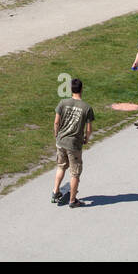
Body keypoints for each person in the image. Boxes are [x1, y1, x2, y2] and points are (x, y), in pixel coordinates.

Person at [51, 78, 94, 208]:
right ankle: (72, 200)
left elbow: (56, 121)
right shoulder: (87, 108)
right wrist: (86, 138)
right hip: (74, 144)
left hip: (61, 141)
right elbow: (89, 128)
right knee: (75, 172)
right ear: (81, 89)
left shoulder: (63, 103)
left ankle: (55, 191)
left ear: (71, 89)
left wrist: (56, 133)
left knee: (61, 166)